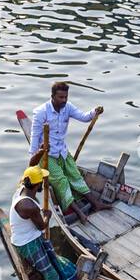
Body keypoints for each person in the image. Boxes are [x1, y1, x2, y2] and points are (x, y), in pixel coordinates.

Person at [11, 166, 98, 280]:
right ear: (37, 186)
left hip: (35, 236)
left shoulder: (22, 189)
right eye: (42, 182)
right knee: (51, 274)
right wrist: (47, 216)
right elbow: (42, 226)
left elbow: (32, 163)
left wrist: (40, 153)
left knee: (60, 266)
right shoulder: (27, 205)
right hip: (27, 243)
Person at [27, 82, 110, 221]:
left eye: (65, 97)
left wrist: (94, 112)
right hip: (46, 155)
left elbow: (84, 117)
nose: (64, 100)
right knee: (61, 181)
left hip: (61, 151)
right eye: (60, 97)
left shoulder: (67, 107)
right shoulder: (41, 112)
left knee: (75, 175)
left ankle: (95, 203)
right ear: (52, 96)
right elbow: (34, 139)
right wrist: (32, 165)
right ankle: (79, 213)